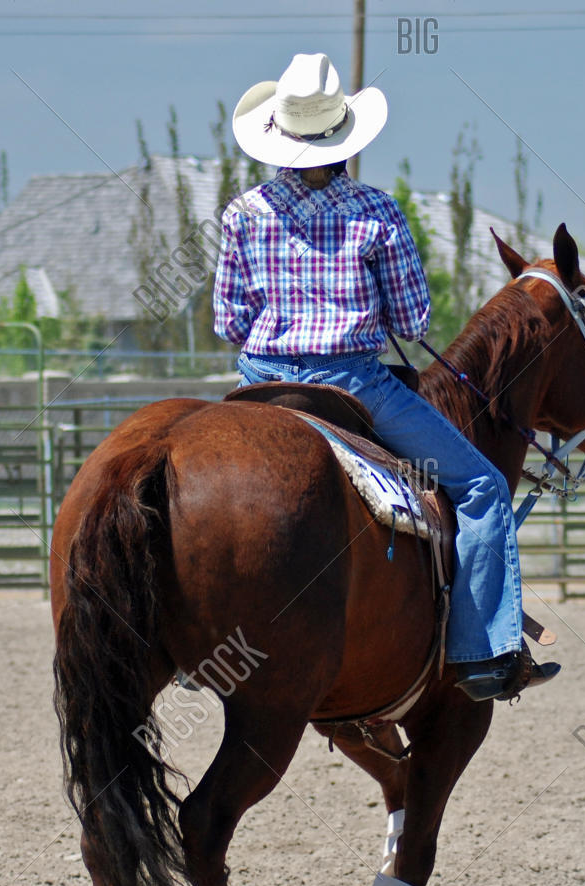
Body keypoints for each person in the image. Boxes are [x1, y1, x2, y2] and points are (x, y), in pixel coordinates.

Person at [213, 52, 555, 702]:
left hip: (257, 383)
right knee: (481, 488)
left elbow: (229, 320)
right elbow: (413, 316)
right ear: (343, 134)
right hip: (350, 386)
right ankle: (483, 655)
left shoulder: (241, 215)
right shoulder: (376, 213)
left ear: (278, 135)